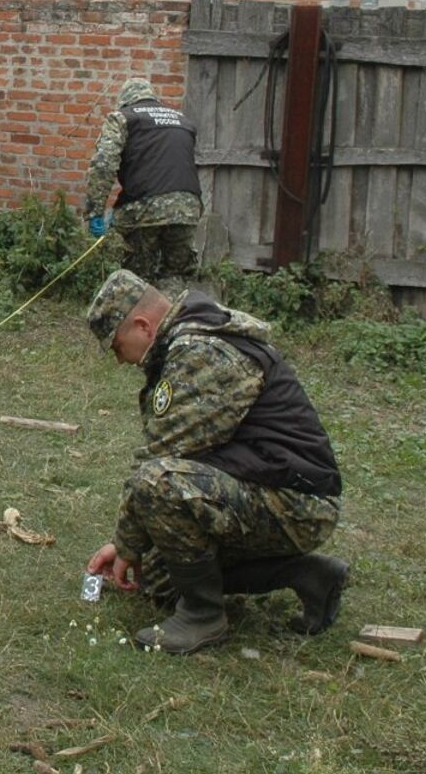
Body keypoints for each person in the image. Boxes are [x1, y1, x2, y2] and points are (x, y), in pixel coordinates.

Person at [81, 269, 347, 654]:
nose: (121, 360)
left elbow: (162, 459)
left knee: (156, 481)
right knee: (158, 579)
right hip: (262, 486)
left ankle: (203, 615)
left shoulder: (202, 354)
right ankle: (306, 574)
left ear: (142, 325)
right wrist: (128, 546)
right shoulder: (189, 341)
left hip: (298, 503)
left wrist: (125, 544)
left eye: (117, 347)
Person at [83, 78, 203, 292]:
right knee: (175, 275)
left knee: (137, 277)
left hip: (143, 207)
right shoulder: (183, 122)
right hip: (187, 206)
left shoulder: (122, 118)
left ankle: (137, 310)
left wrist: (95, 212)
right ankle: (171, 311)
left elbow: (103, 165)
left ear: (125, 100)